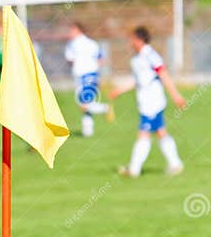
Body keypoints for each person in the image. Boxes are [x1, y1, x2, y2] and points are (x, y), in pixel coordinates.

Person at [112, 27, 186, 178]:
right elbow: (138, 81)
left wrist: (176, 96)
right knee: (160, 132)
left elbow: (164, 75)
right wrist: (120, 89)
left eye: (132, 39)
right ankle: (175, 164)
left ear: (139, 40)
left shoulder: (151, 56)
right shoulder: (137, 59)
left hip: (153, 102)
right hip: (145, 102)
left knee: (144, 133)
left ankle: (134, 170)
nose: (130, 42)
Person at [64, 22, 113, 137]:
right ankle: (87, 132)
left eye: (72, 30)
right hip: (90, 75)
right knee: (85, 103)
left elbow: (69, 60)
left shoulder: (72, 44)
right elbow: (101, 59)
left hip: (85, 76)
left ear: (78, 30)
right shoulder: (92, 43)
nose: (69, 33)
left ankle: (105, 108)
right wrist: (96, 71)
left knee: (84, 104)